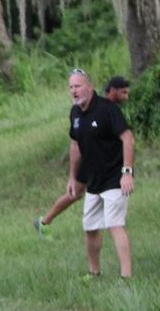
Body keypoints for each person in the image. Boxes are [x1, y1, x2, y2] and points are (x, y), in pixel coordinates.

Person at [35, 75, 130, 236]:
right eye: (124, 93)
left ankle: (45, 221)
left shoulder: (108, 108)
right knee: (75, 193)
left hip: (106, 163)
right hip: (93, 162)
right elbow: (78, 141)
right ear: (113, 91)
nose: (126, 97)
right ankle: (44, 222)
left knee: (76, 194)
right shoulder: (101, 107)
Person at [63, 69, 135, 278]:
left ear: (89, 87)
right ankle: (94, 273)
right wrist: (73, 177)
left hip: (114, 177)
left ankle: (126, 277)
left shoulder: (107, 109)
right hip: (94, 180)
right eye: (71, 87)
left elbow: (128, 139)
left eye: (77, 86)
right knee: (91, 226)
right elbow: (75, 145)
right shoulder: (75, 113)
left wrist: (127, 172)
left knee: (114, 223)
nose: (74, 91)